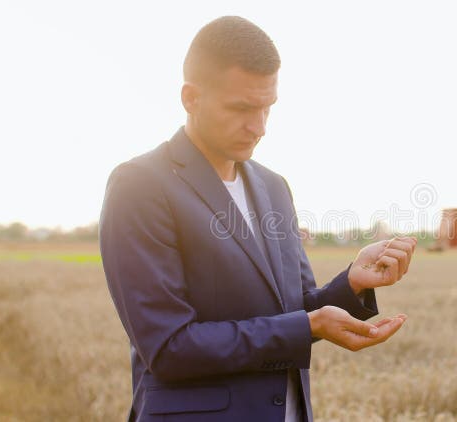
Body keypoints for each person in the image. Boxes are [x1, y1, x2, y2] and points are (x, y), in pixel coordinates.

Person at [99, 16, 417, 422]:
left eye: (268, 108)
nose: (260, 127)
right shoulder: (141, 185)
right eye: (243, 108)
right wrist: (309, 325)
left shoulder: (274, 186)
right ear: (190, 98)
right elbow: (168, 347)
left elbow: (295, 310)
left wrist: (352, 281)